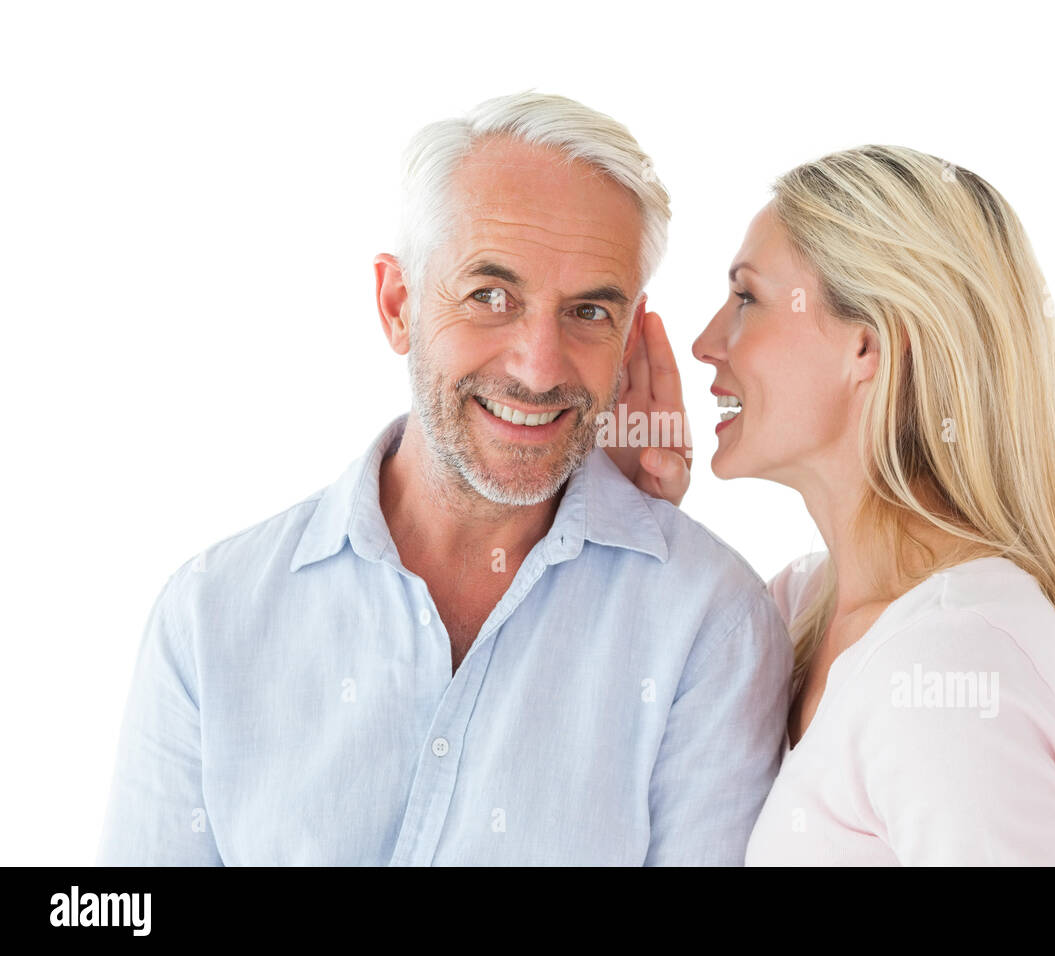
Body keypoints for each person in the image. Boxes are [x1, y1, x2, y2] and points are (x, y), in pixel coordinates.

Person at [96, 91, 792, 866]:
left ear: (630, 333)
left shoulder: (709, 625)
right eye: (489, 297)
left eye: (589, 312)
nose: (538, 367)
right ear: (397, 306)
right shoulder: (210, 615)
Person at [645, 145, 1055, 865]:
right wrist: (644, 515)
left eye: (747, 298)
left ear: (868, 346)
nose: (707, 342)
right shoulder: (796, 607)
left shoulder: (956, 666)